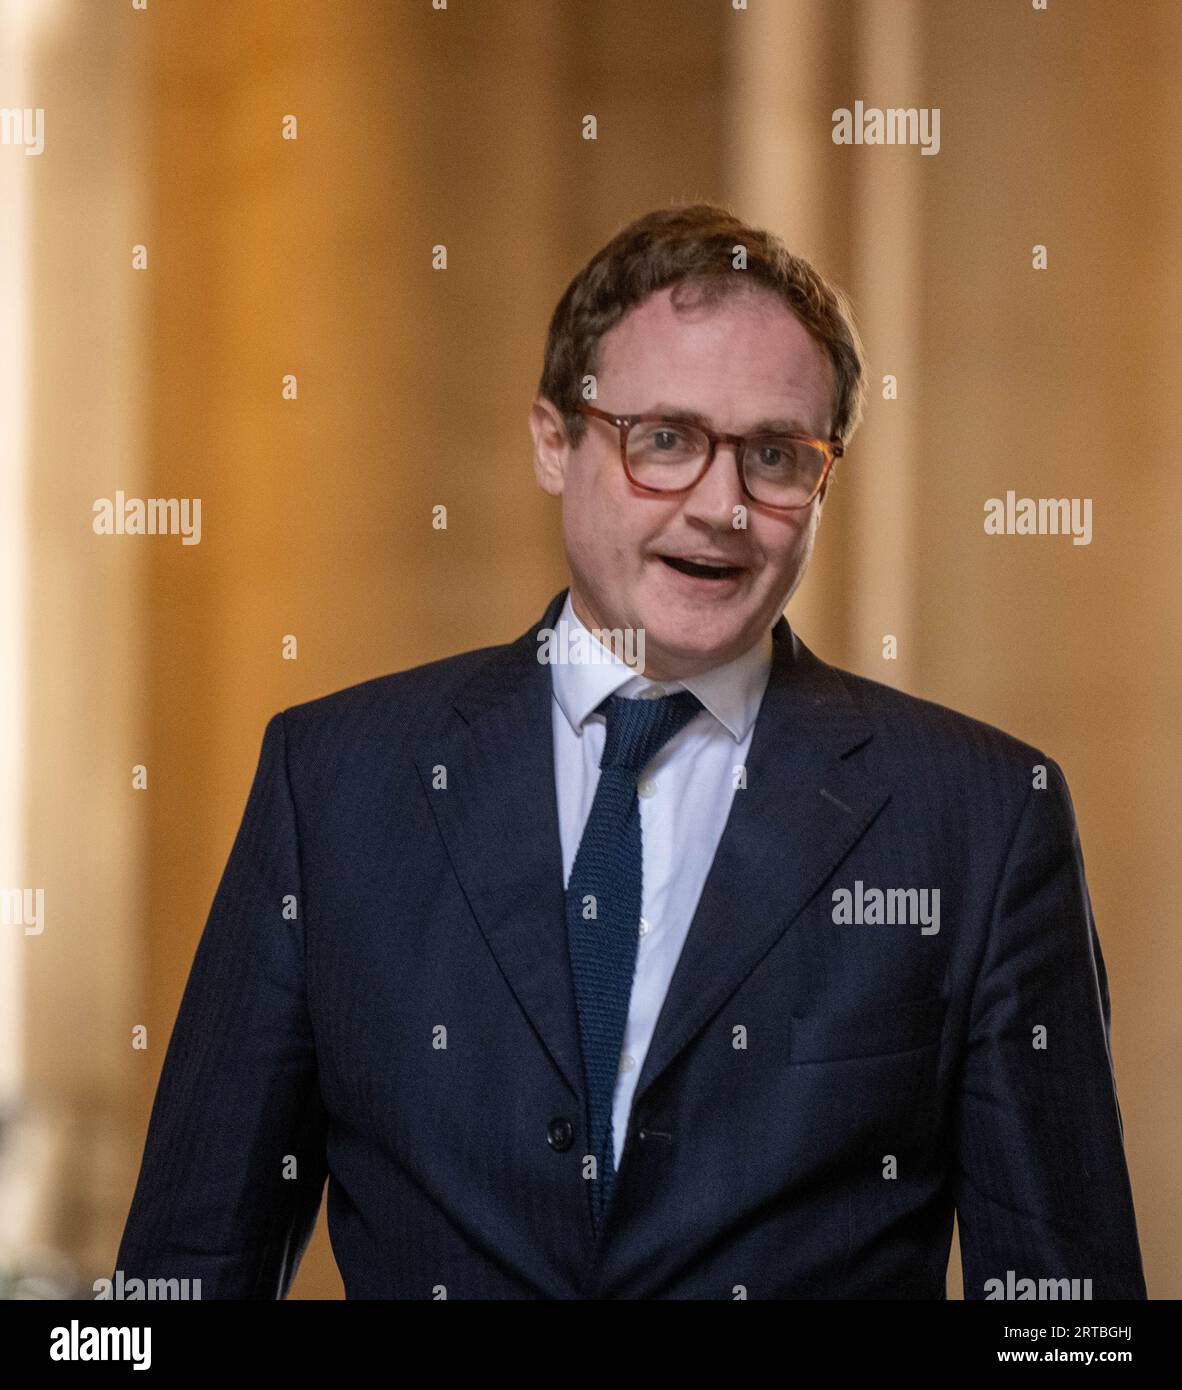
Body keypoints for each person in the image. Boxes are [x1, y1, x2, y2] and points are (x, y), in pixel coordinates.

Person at [115, 203, 1146, 1299]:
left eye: (777, 457)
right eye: (664, 439)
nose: (723, 507)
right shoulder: (333, 785)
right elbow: (186, 1272)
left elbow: (1066, 1315)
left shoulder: (981, 821)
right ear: (554, 442)